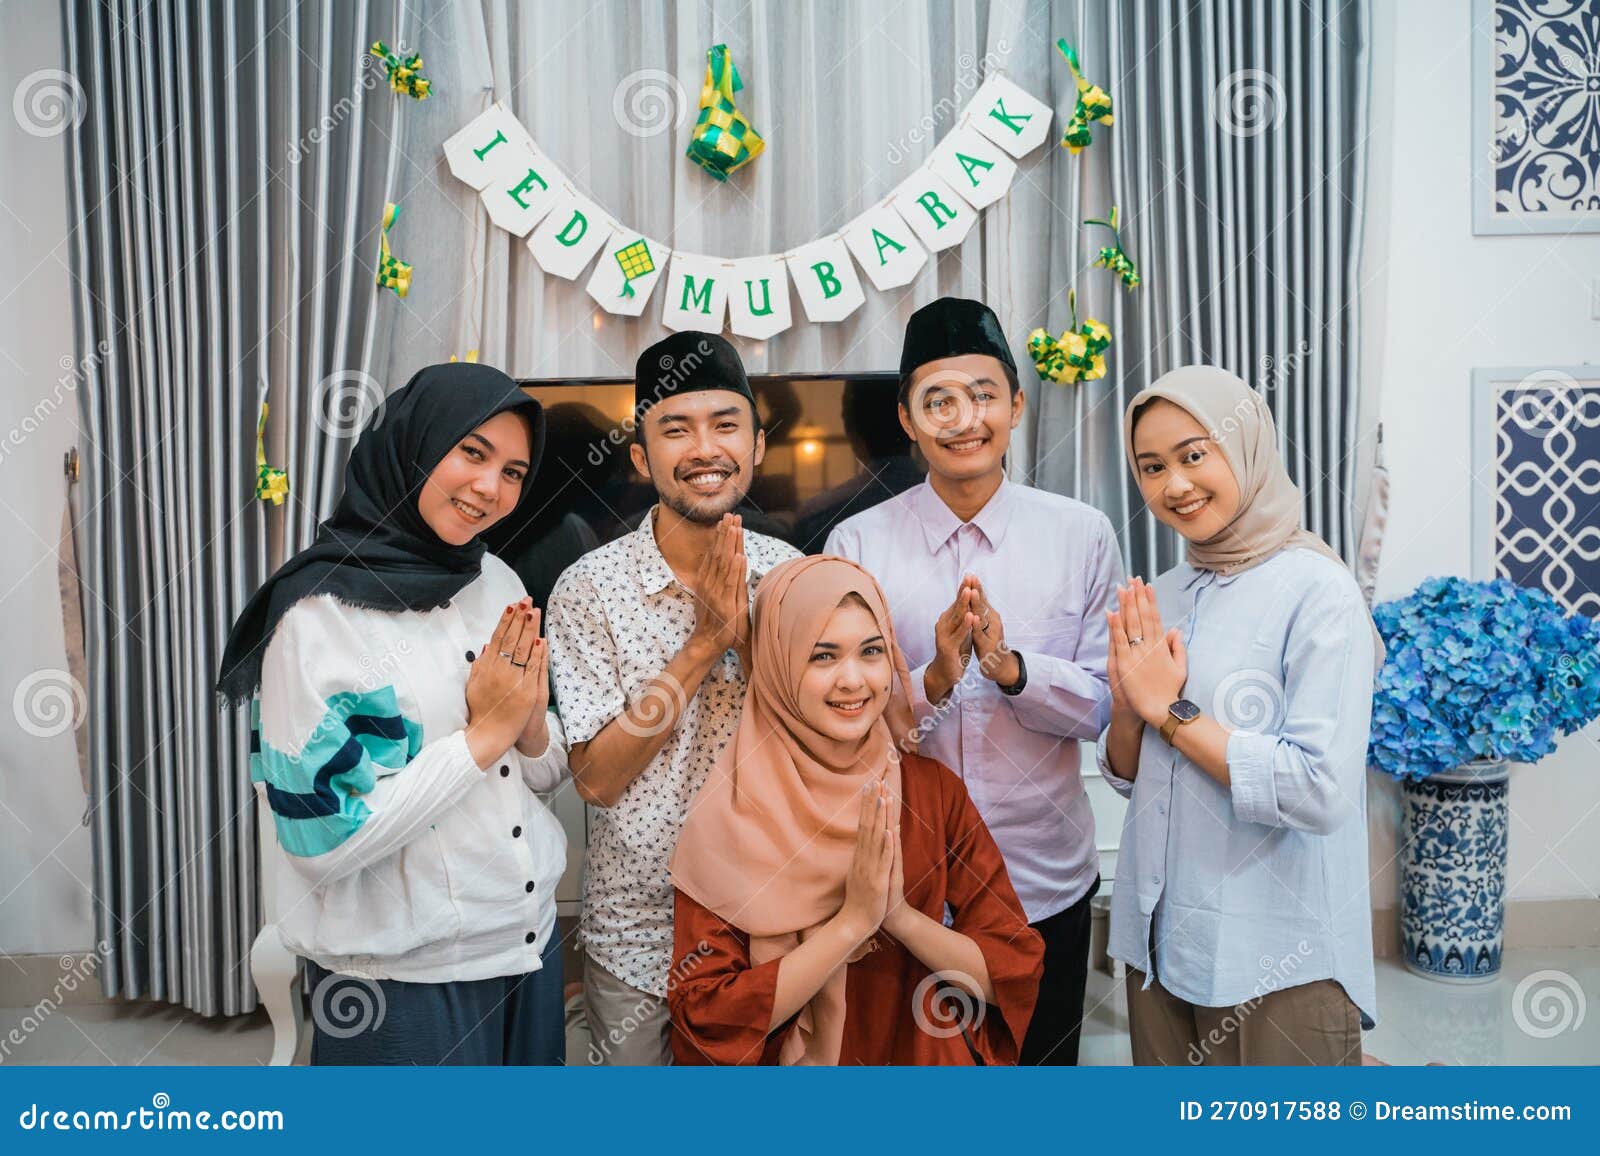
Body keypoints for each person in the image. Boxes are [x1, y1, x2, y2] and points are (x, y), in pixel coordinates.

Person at [217, 363, 569, 1065]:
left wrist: (527, 724)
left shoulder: (496, 579)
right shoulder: (321, 616)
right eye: (472, 452)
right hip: (400, 978)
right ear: (412, 445)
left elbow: (541, 772)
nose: (490, 488)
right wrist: (484, 735)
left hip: (528, 938)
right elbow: (323, 842)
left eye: (513, 472)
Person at [826, 296, 1121, 1064]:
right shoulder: (857, 544)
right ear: (907, 418)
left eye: (984, 395)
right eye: (939, 401)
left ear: (1016, 405)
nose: (965, 419)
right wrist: (934, 677)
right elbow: (837, 720)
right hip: (906, 885)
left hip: (1043, 880)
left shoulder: (1081, 535)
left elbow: (1104, 707)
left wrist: (1012, 670)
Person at [1100, 365, 1381, 1066]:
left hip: (1278, 949)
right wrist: (1130, 709)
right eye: (1152, 467)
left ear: (1246, 447)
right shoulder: (1165, 593)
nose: (1175, 484)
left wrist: (1171, 712)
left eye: (1194, 455)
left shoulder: (1318, 591)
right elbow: (1133, 777)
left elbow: (1318, 790)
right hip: (1158, 939)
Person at [668, 555, 1043, 1065]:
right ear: (777, 665)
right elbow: (704, 1014)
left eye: (871, 651)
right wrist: (850, 925)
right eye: (822, 656)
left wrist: (899, 918)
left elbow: (1013, 971)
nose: (853, 680)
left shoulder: (931, 793)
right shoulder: (731, 812)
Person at [545, 331, 801, 1065]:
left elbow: (817, 745)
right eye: (676, 429)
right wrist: (702, 647)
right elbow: (597, 779)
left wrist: (746, 639)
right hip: (636, 929)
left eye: (725, 425)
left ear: (757, 445)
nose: (705, 448)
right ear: (640, 457)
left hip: (769, 918)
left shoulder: (792, 576)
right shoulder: (588, 589)